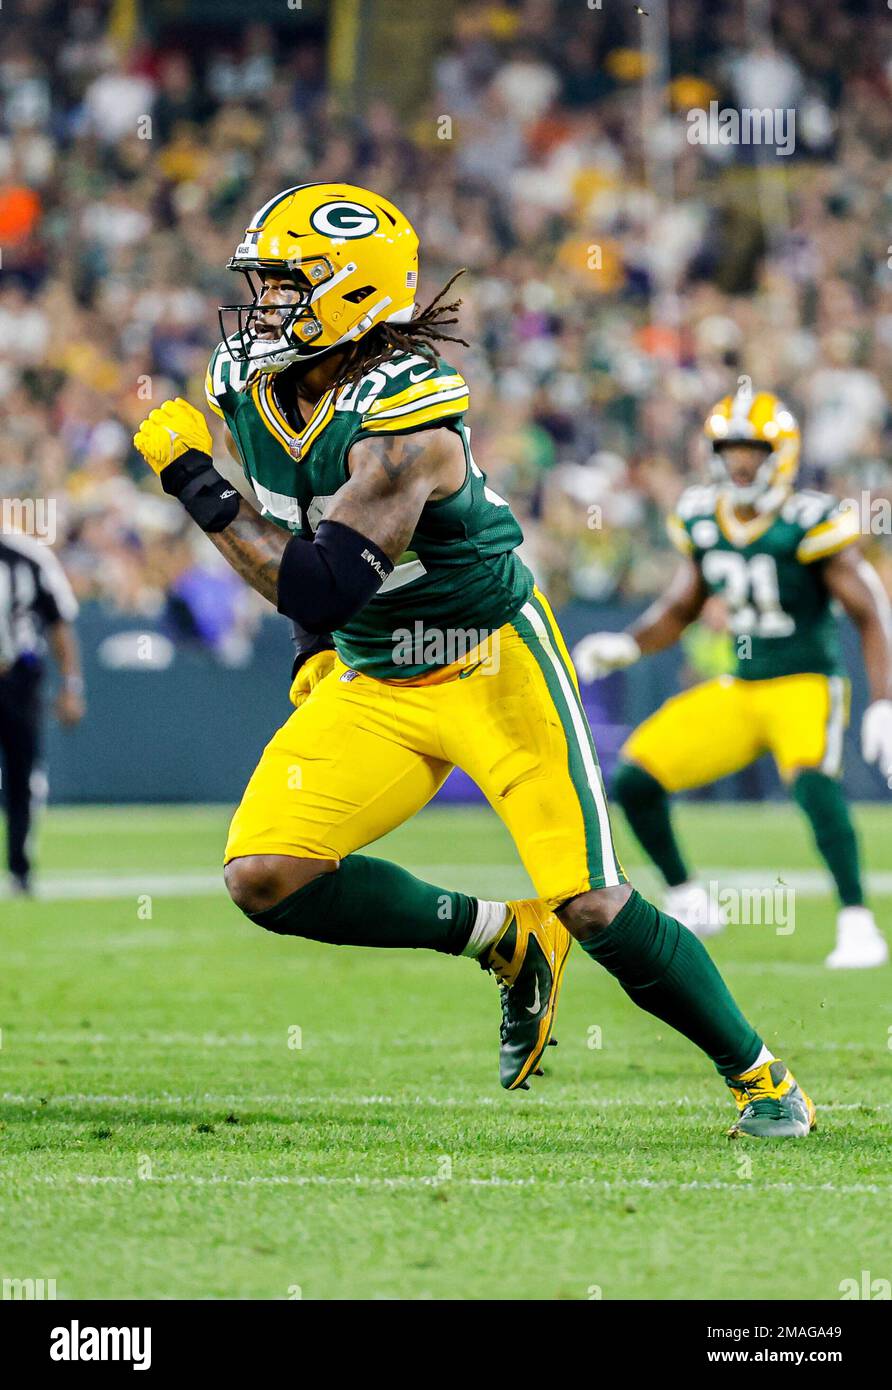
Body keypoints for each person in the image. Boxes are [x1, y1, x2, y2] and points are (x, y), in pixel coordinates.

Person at [133, 183, 817, 1137]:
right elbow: (295, 517)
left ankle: (763, 1079)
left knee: (593, 902)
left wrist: (193, 483)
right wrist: (313, 657)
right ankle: (502, 937)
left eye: (287, 287)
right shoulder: (246, 384)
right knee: (265, 874)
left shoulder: (408, 415)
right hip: (376, 674)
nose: (265, 308)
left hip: (490, 661)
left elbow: (323, 579)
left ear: (349, 292)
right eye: (265, 286)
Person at [574, 385, 892, 969]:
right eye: (731, 449)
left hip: (804, 682)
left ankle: (857, 923)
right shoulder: (701, 516)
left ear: (783, 454)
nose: (741, 462)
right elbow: (680, 606)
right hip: (740, 688)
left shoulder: (810, 520)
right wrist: (627, 644)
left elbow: (872, 612)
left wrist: (884, 702)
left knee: (814, 786)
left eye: (753, 449)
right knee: (636, 778)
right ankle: (689, 900)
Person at [0, 528, 84, 894]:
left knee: (22, 773)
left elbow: (58, 621)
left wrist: (71, 686)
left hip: (17, 677)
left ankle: (20, 867)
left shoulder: (27, 556)